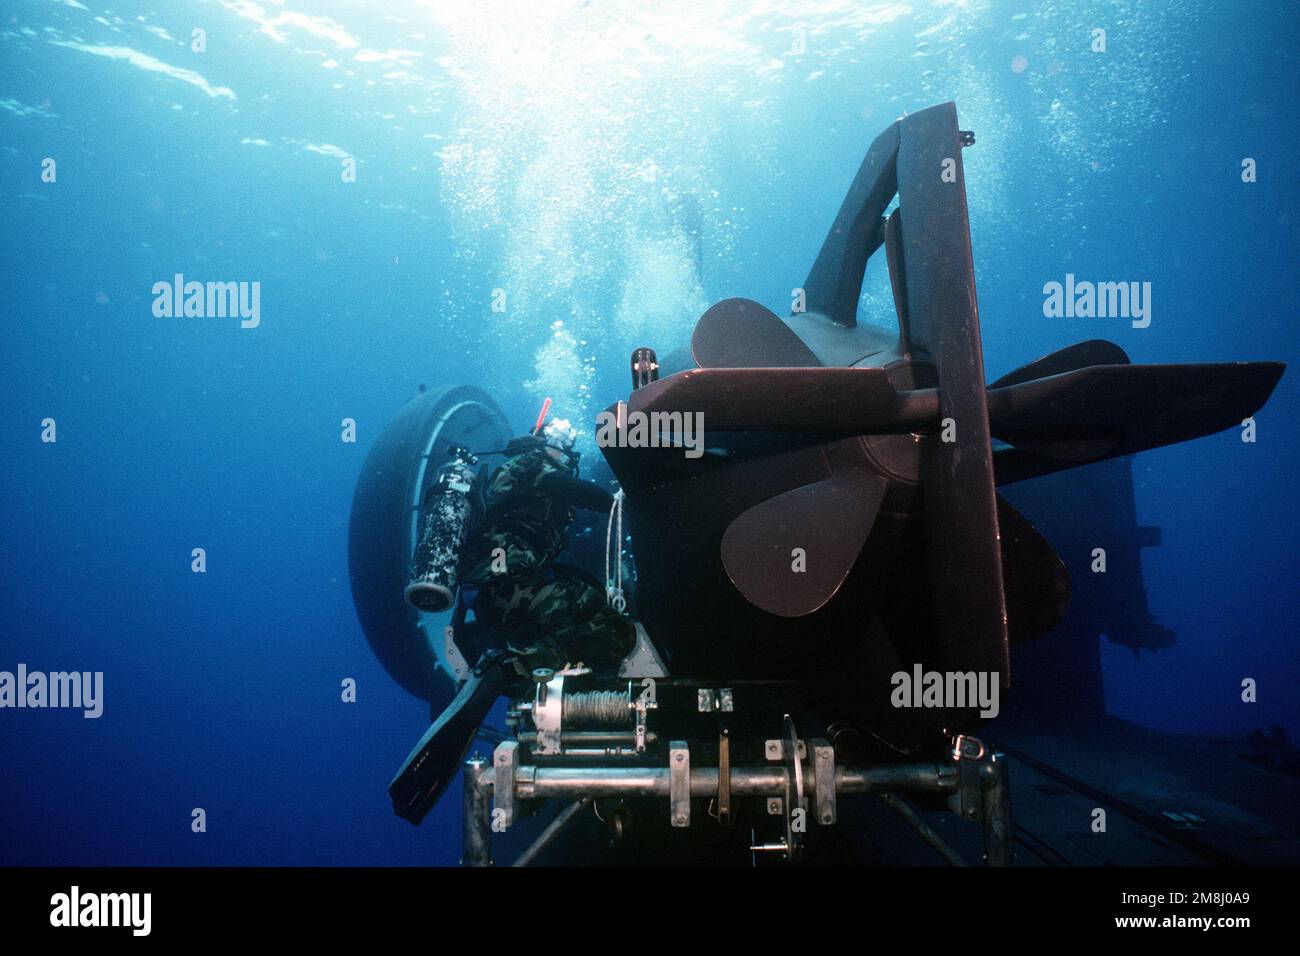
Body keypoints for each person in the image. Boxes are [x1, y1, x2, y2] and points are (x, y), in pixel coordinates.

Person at [460, 416, 635, 674]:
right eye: (562, 445)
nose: (568, 455)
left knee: (585, 591)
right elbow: (581, 492)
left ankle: (527, 658)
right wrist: (624, 502)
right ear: (544, 444)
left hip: (494, 591)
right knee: (616, 629)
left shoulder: (512, 473)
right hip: (511, 588)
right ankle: (522, 664)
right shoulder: (531, 464)